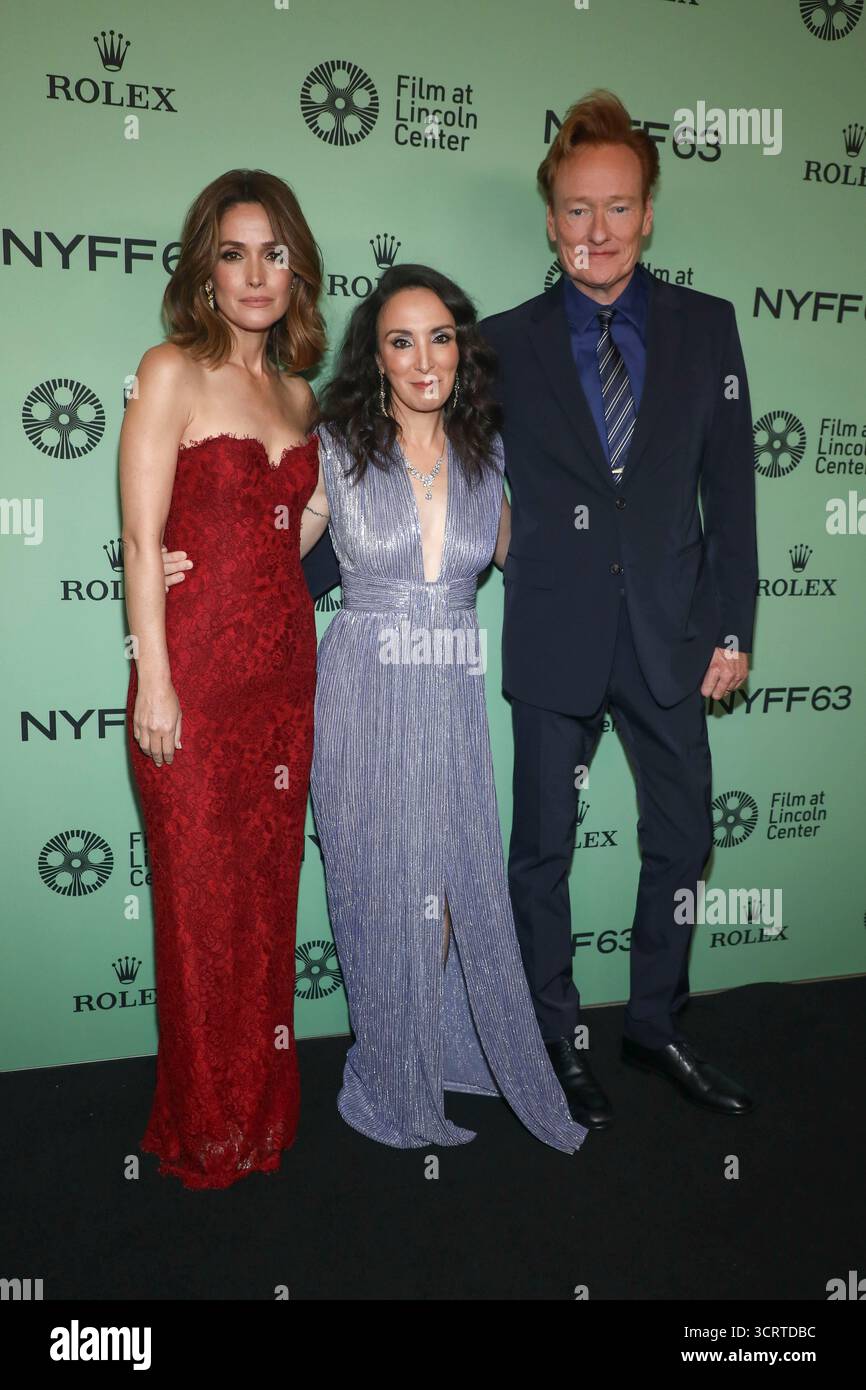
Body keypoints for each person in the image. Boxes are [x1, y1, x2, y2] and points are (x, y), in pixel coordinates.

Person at [166, 264, 589, 1154]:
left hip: (452, 692)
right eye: (402, 340)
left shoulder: (488, 453)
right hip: (362, 688)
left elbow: (538, 566)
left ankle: (426, 1049)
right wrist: (186, 563)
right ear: (379, 357)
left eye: (440, 337)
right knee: (375, 887)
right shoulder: (339, 451)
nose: (423, 358)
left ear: (463, 352)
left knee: (443, 888)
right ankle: (388, 1072)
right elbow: (272, 548)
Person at [479, 90, 758, 1127]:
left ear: (647, 213)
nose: (595, 231)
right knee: (541, 847)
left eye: (617, 208)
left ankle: (653, 1024)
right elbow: (435, 477)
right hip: (553, 631)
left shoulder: (705, 328)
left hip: (671, 635)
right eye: (574, 210)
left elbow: (728, 494)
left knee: (680, 839)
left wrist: (731, 629)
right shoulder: (499, 341)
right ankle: (553, 1038)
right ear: (549, 219)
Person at [121, 169, 326, 1189]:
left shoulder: (296, 393)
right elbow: (135, 531)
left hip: (287, 682)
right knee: (200, 914)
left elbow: (302, 524)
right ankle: (206, 1129)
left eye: (274, 252)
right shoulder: (171, 371)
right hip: (195, 682)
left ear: (298, 269)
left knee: (265, 904)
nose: (256, 273)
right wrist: (154, 678)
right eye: (235, 252)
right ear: (205, 268)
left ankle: (259, 1118)